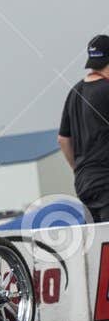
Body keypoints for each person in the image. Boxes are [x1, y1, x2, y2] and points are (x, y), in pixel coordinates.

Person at [58, 34, 109, 223]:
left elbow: (63, 140)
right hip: (105, 181)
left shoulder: (75, 92)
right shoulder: (106, 90)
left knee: (100, 245)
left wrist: (80, 169)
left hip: (84, 183)